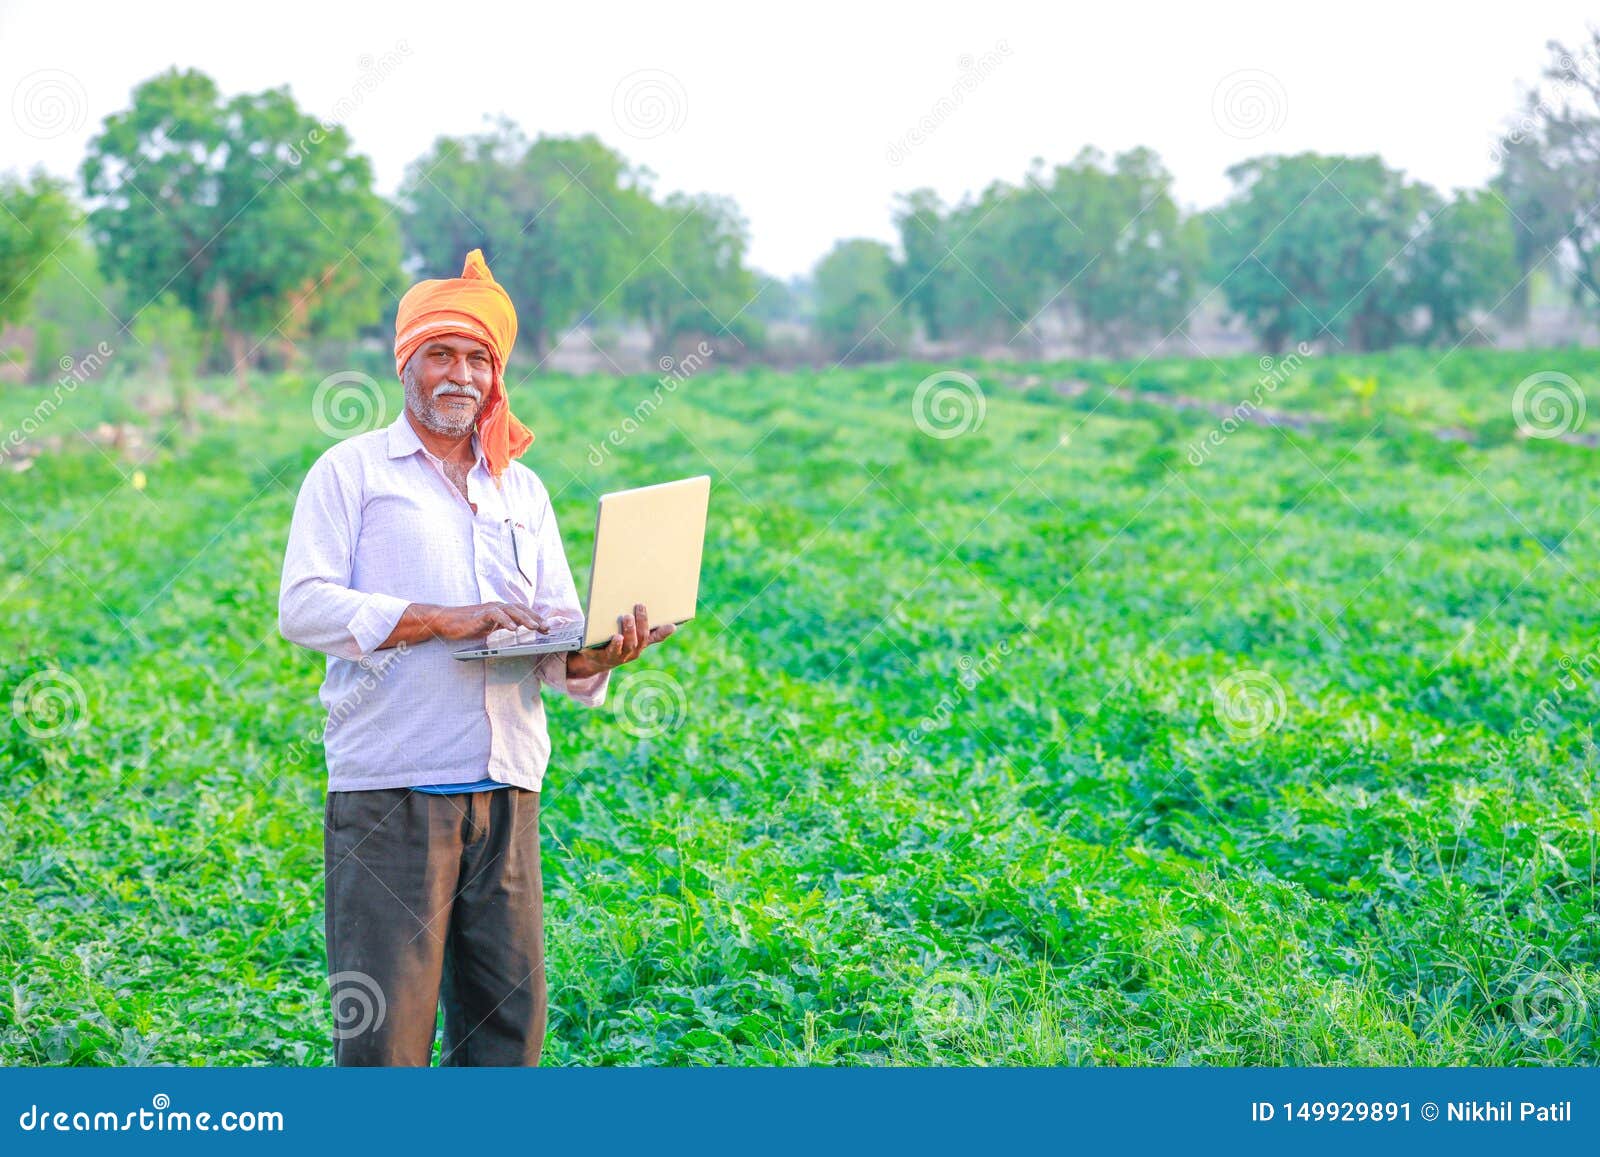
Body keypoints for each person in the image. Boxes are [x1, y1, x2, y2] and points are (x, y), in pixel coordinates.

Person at [277, 249, 674, 1065]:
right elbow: (303, 605)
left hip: (506, 789)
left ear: (496, 376)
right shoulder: (352, 473)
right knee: (386, 1042)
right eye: (442, 354)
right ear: (406, 365)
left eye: (478, 359)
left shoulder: (519, 489)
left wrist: (598, 652)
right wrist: (436, 618)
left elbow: (554, 639)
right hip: (393, 791)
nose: (461, 375)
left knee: (507, 1032)